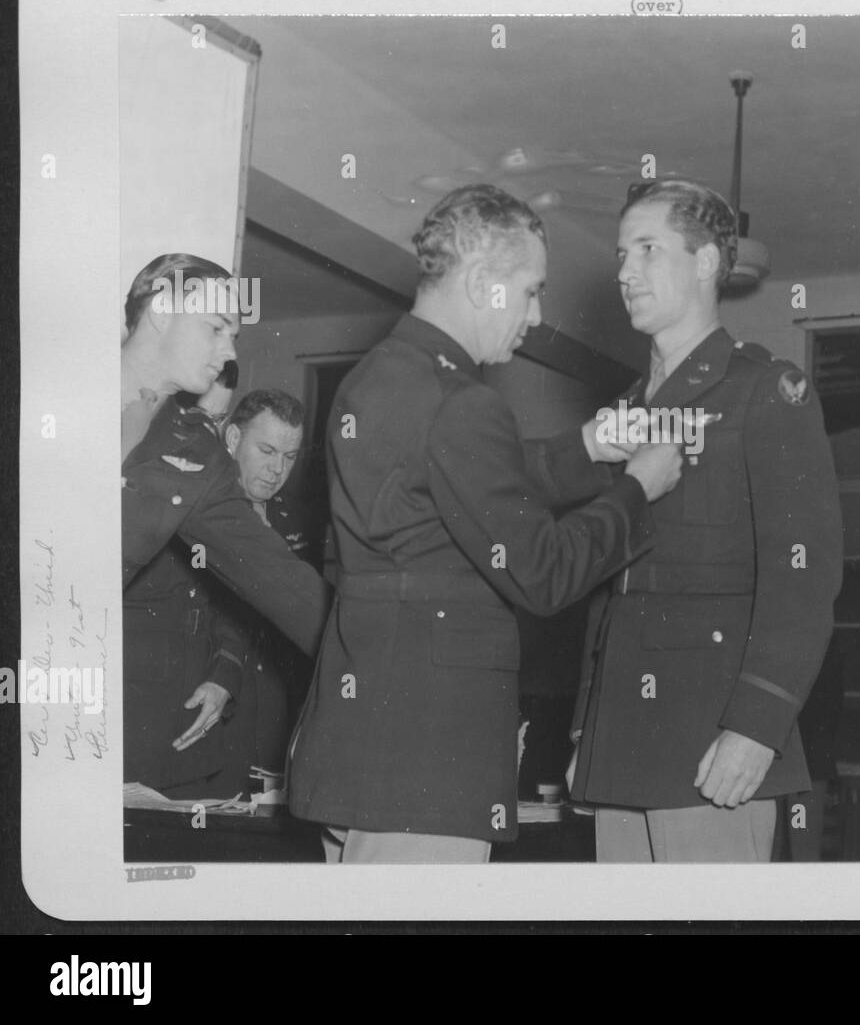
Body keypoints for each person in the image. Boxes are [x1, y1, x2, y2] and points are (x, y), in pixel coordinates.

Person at [287, 184, 682, 864]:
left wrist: (584, 448)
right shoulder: (462, 403)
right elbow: (546, 573)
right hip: (429, 766)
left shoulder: (375, 378)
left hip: (360, 754)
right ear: (479, 284)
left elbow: (455, 487)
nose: (535, 315)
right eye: (529, 290)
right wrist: (638, 489)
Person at [567, 180, 844, 862]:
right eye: (622, 253)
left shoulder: (764, 391)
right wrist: (586, 731)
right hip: (621, 745)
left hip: (712, 744)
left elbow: (803, 577)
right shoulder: (623, 412)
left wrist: (757, 725)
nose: (625, 271)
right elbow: (614, 591)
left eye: (648, 250)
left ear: (706, 264)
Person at [120, 254, 329, 795]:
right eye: (216, 328)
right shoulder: (46, 388)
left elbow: (277, 577)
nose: (231, 351)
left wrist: (376, 649)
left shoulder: (195, 449)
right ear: (162, 309)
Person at [201, 390, 314, 797]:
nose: (276, 469)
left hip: (279, 716)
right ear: (232, 440)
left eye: (289, 456)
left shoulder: (297, 516)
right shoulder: (202, 510)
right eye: (266, 450)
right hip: (217, 708)